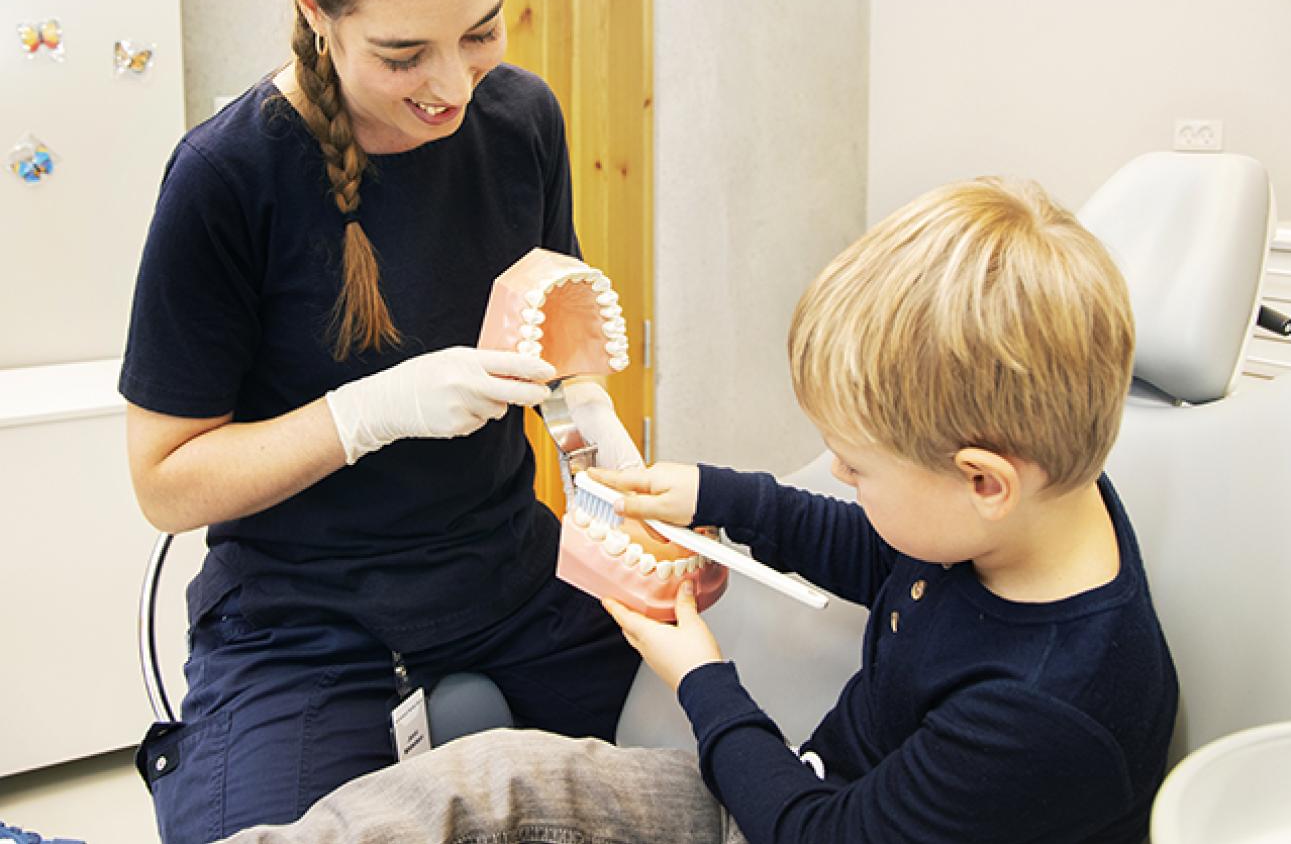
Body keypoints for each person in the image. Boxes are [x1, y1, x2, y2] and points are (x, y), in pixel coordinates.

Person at [213, 175, 1180, 844]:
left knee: (490, 794)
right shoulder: (1037, 511)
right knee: (492, 781)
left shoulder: (1043, 713)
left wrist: (701, 682)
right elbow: (882, 552)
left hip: (804, 819)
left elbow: (819, 834)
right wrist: (714, 496)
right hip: (810, 795)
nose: (839, 480)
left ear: (981, 480)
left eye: (858, 466)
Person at [119, 0, 643, 843]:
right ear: (314, 8)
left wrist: (607, 463)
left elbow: (556, 337)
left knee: (726, 771)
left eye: (482, 32)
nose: (451, 87)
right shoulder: (228, 178)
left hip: (514, 579)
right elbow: (165, 481)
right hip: (305, 626)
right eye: (404, 54)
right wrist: (371, 413)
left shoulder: (522, 119)